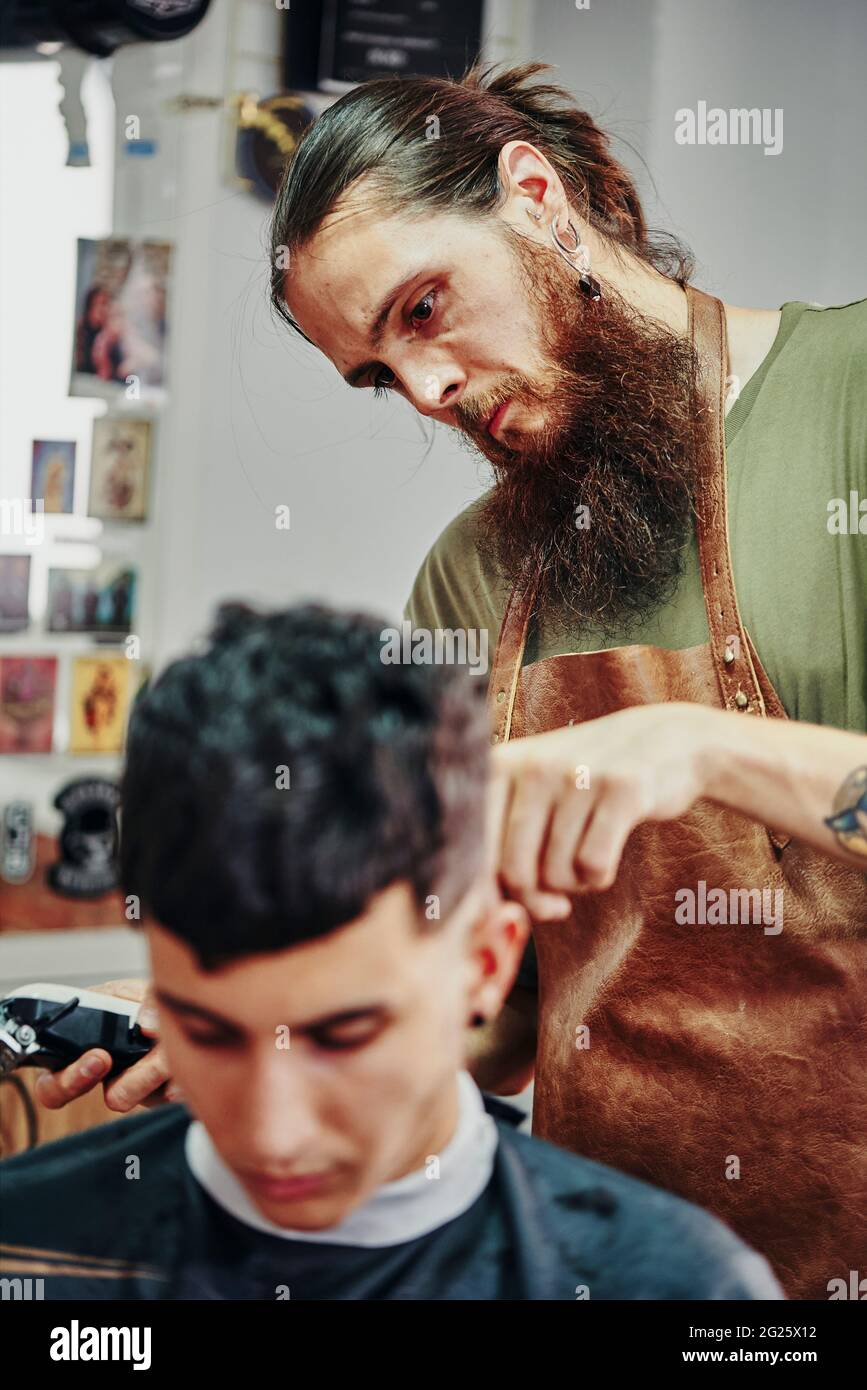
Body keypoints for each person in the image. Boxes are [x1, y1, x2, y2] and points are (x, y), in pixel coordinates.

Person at [261, 62, 867, 1299]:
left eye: (422, 308)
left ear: (535, 196)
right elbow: (501, 1022)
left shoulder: (849, 405)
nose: (425, 392)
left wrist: (696, 749)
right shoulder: (470, 580)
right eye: (379, 373)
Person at [0, 604, 781, 1301]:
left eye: (344, 1036)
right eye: (207, 1031)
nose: (275, 1133)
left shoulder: (675, 1285)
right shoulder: (24, 1251)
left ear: (484, 965)